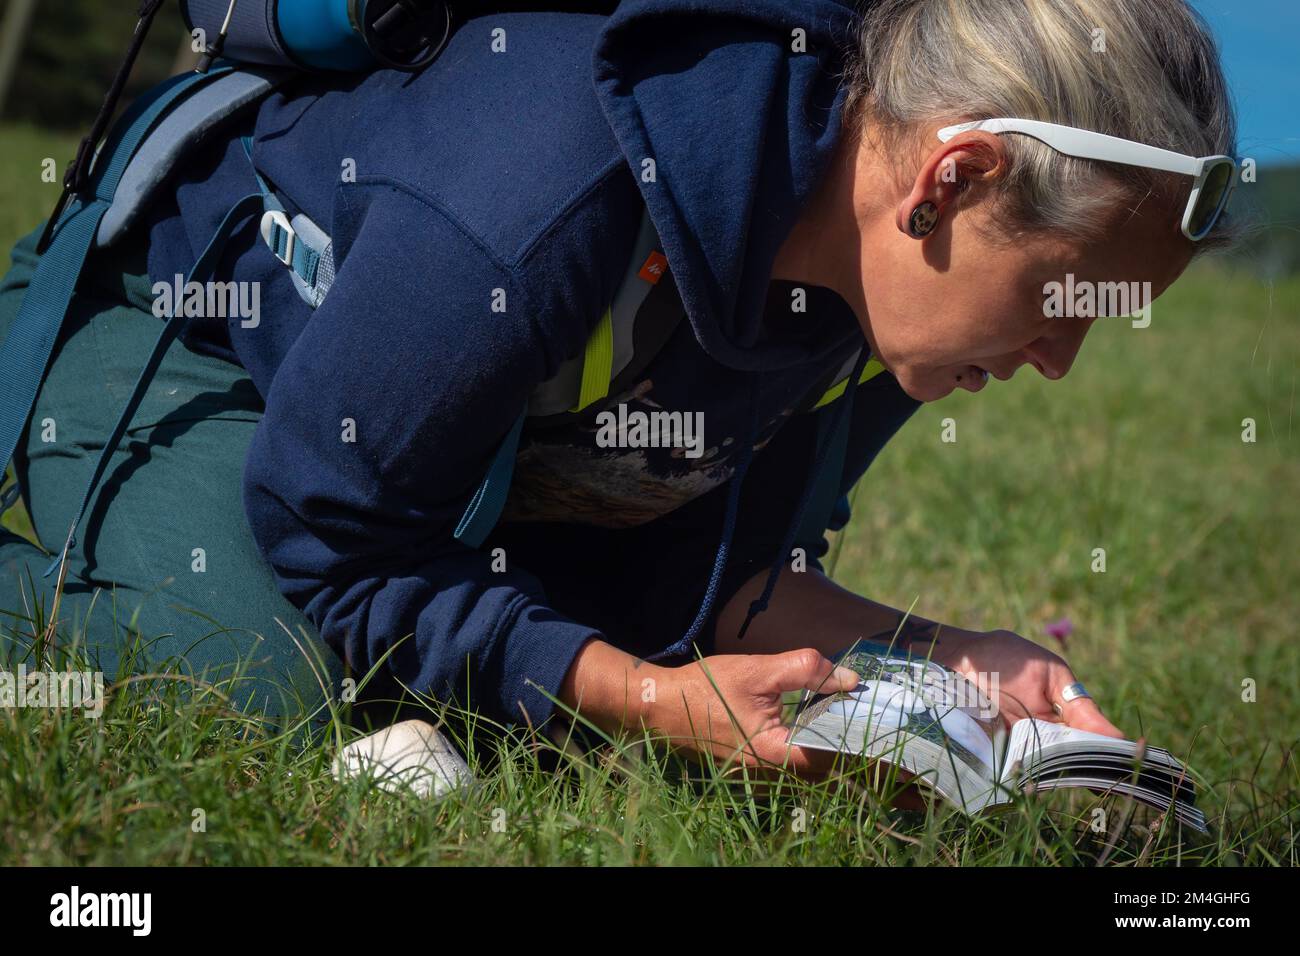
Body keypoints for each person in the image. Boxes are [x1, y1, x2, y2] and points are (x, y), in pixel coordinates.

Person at [0, 0, 1237, 771]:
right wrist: (640, 696)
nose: (1057, 357)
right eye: (1058, 295)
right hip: (188, 340)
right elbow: (337, 530)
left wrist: (946, 658)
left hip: (450, 470)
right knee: (284, 684)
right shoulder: (550, 187)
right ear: (949, 178)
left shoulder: (886, 307)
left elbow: (688, 569)